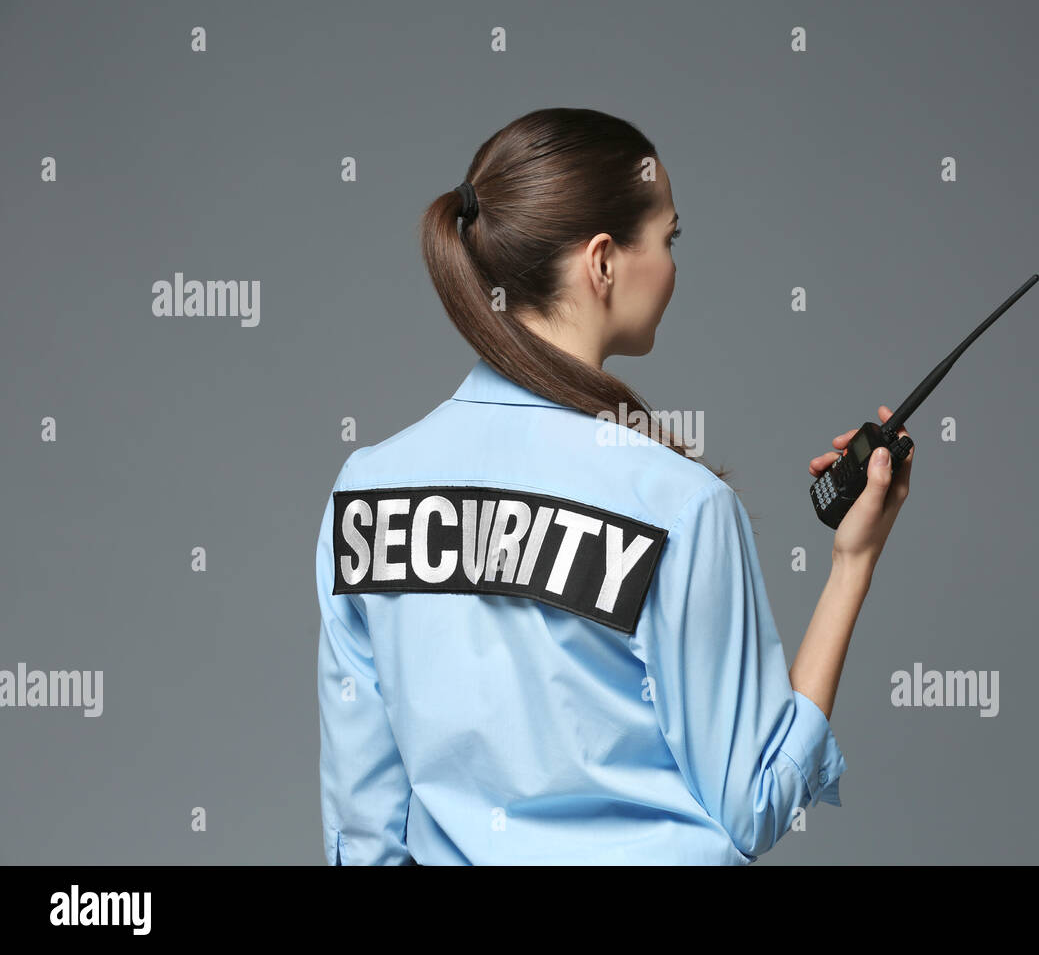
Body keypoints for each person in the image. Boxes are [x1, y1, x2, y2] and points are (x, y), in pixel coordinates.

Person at [314, 107, 913, 865]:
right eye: (669, 239)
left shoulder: (365, 493)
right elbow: (752, 802)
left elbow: (363, 831)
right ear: (602, 261)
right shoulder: (682, 505)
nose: (672, 265)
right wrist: (853, 563)